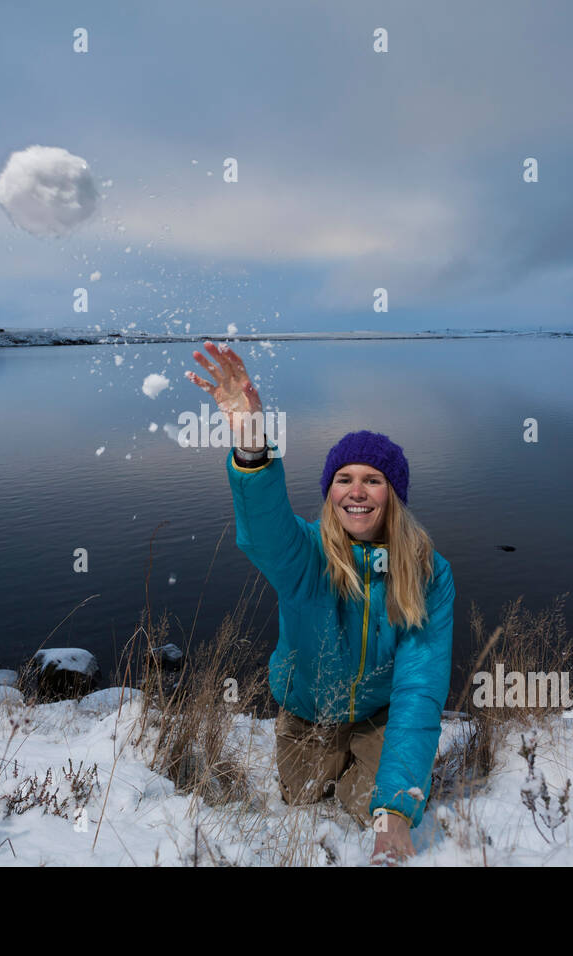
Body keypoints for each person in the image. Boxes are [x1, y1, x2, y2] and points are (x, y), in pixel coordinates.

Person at [185, 341, 456, 864]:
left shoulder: (427, 572)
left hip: (379, 713)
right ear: (330, 492)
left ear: (393, 496)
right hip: (309, 714)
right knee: (302, 794)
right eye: (344, 479)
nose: (358, 492)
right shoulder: (304, 553)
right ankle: (335, 757)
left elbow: (420, 686)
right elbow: (263, 532)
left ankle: (369, 767)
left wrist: (396, 812)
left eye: (373, 481)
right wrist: (249, 440)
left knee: (368, 806)